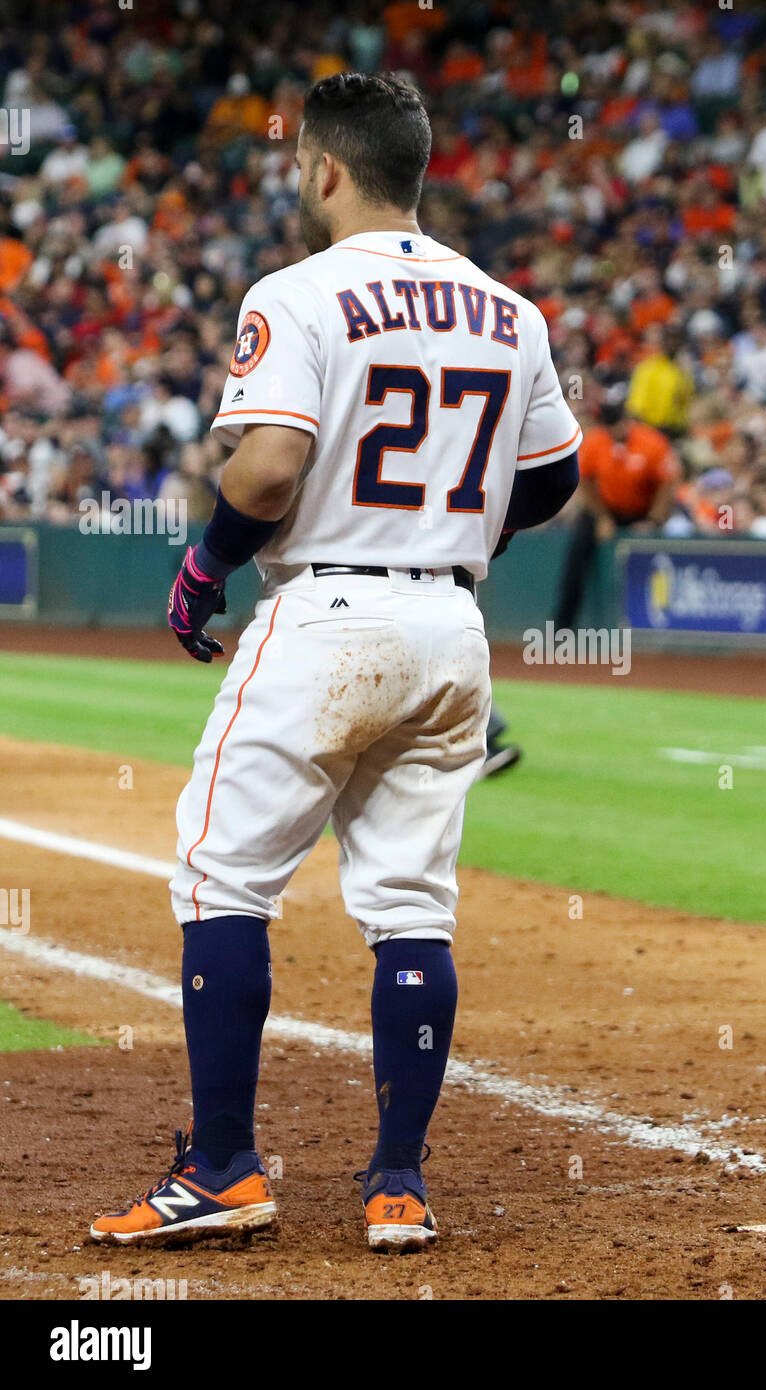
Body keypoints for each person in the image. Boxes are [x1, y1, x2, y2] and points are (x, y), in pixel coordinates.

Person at [90, 72, 579, 1254]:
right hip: (450, 631)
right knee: (410, 905)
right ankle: (398, 1183)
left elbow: (265, 472)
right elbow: (557, 474)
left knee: (222, 879)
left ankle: (221, 1169)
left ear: (322, 168)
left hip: (326, 613)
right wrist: (457, 536)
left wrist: (206, 563)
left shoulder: (299, 292)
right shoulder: (511, 311)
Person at [554, 400, 679, 630]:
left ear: (627, 421)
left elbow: (667, 485)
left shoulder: (651, 442)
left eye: (618, 424)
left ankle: (651, 625)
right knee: (575, 558)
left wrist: (652, 521)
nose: (615, 431)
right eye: (610, 426)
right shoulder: (596, 441)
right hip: (606, 508)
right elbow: (586, 481)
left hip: (643, 511)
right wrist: (602, 517)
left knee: (655, 562)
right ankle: (563, 628)